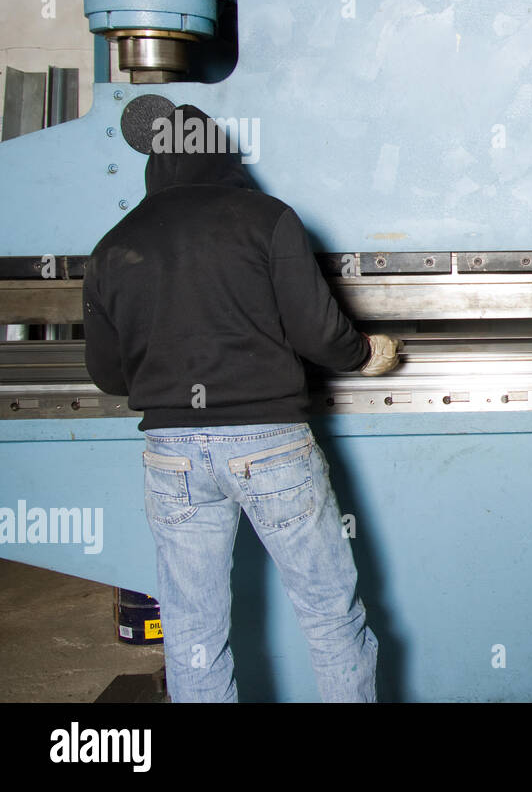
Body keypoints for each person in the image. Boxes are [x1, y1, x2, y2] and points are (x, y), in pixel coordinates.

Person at [82, 95, 401, 702]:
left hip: (171, 455)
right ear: (223, 155)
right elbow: (318, 334)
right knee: (331, 617)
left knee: (193, 629)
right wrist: (367, 353)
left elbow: (110, 375)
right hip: (270, 445)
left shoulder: (113, 245)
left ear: (155, 166)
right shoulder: (268, 218)